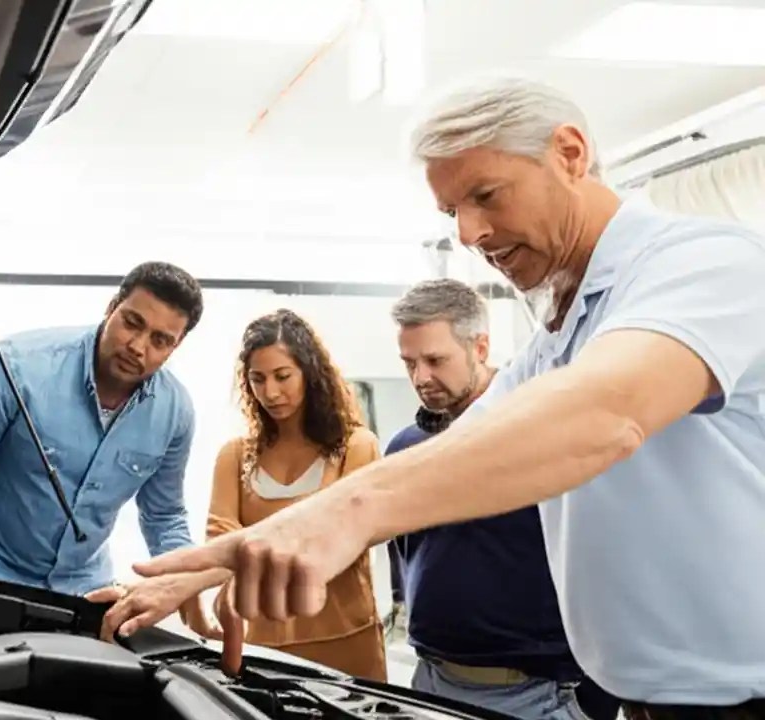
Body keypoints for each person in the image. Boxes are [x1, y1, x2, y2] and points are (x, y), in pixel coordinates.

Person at [114, 75, 765, 717]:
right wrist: (213, 566)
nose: (469, 234)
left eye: (486, 194)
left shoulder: (701, 263)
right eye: (453, 211)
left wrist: (345, 516)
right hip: (648, 703)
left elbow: (605, 414)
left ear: (571, 154)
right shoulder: (559, 336)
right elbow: (452, 451)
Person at [0, 261, 213, 634]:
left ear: (176, 346)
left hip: (88, 588)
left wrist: (190, 599)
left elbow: (164, 517)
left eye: (160, 340)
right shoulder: (13, 367)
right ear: (111, 307)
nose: (137, 347)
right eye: (132, 322)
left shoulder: (176, 413)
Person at [387, 279, 618, 720]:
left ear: (480, 347)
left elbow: (602, 567)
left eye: (435, 360)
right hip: (429, 685)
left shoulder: (541, 436)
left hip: (541, 697)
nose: (421, 378)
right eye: (409, 363)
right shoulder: (404, 449)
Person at [207, 310, 386, 679]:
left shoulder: (356, 446)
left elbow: (340, 538)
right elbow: (218, 541)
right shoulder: (235, 455)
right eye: (258, 379)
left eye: (282, 376)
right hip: (261, 647)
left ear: (310, 373)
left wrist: (250, 547)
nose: (270, 392)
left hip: (347, 639)